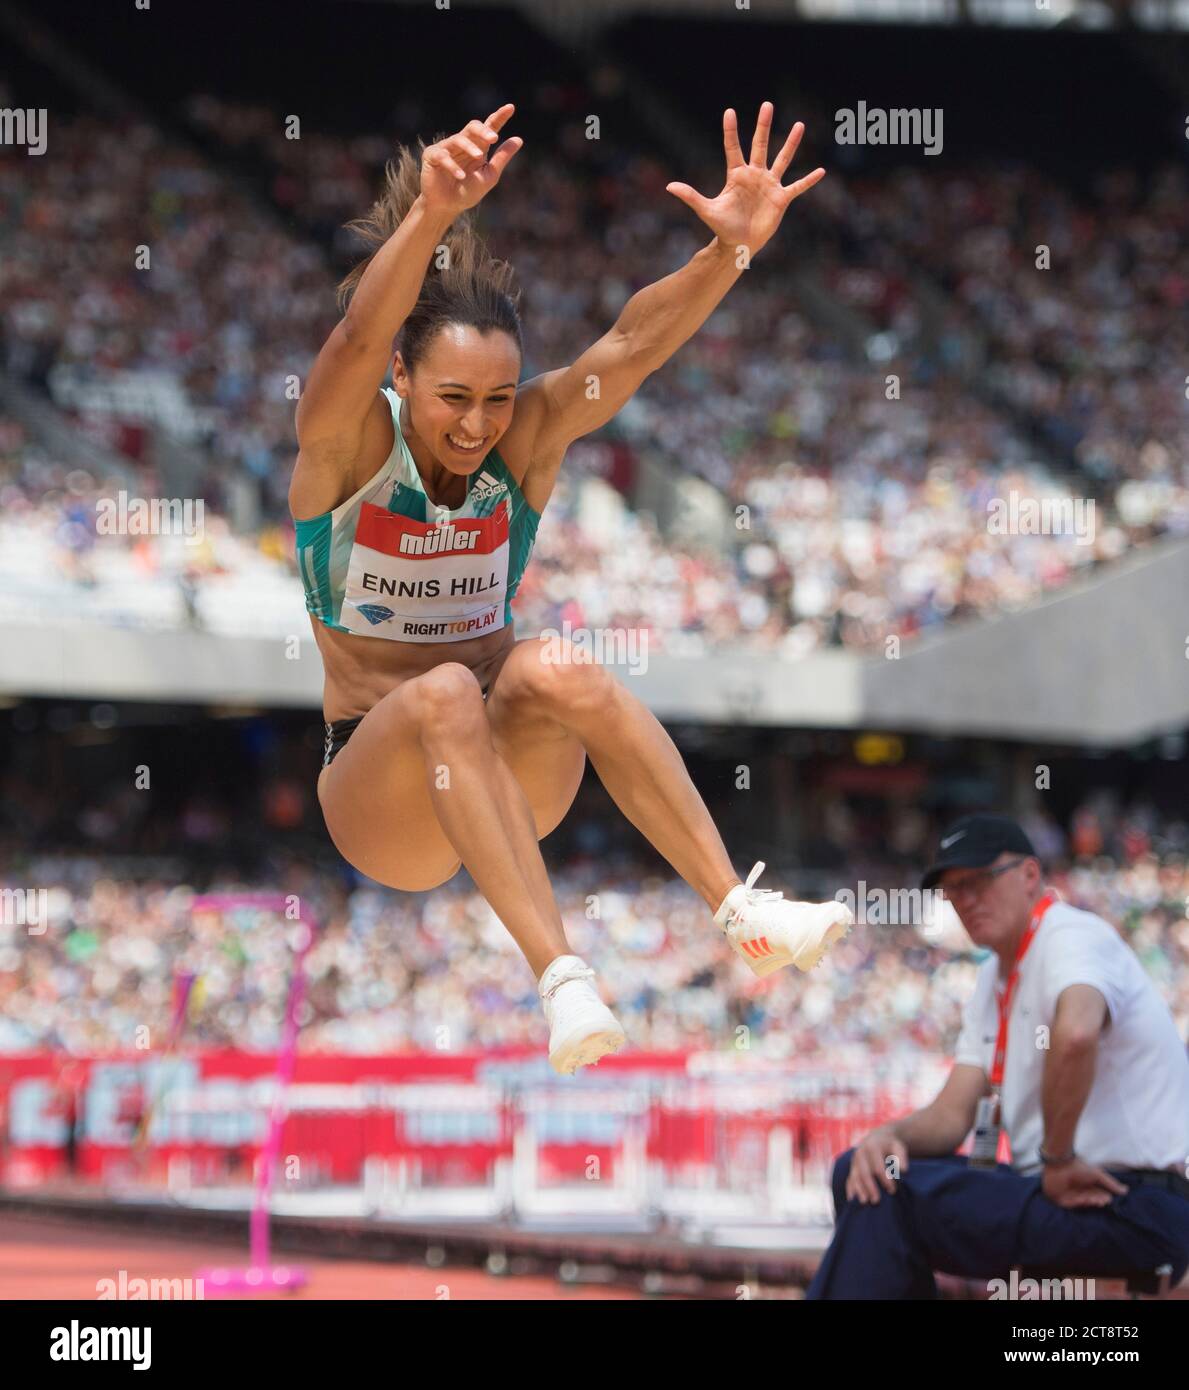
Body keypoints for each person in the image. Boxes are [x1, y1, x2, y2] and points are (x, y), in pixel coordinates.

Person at [289, 101, 852, 1074]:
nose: (478, 425)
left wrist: (727, 253)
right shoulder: (350, 449)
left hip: (506, 771)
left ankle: (737, 906)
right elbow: (346, 344)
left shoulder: (526, 442)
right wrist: (429, 215)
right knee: (444, 691)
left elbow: (626, 350)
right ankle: (562, 979)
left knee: (557, 664)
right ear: (401, 381)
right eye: (453, 398)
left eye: (498, 398)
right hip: (380, 795)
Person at [808, 813, 1189, 1299]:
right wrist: (887, 1136)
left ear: (1031, 875)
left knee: (891, 1195)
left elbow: (1075, 1034)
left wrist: (1058, 1157)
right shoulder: (995, 975)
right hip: (1063, 1193)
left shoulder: (1070, 934)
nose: (965, 900)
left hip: (1130, 1201)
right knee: (860, 1170)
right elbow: (952, 1114)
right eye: (952, 889)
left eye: (978, 881)